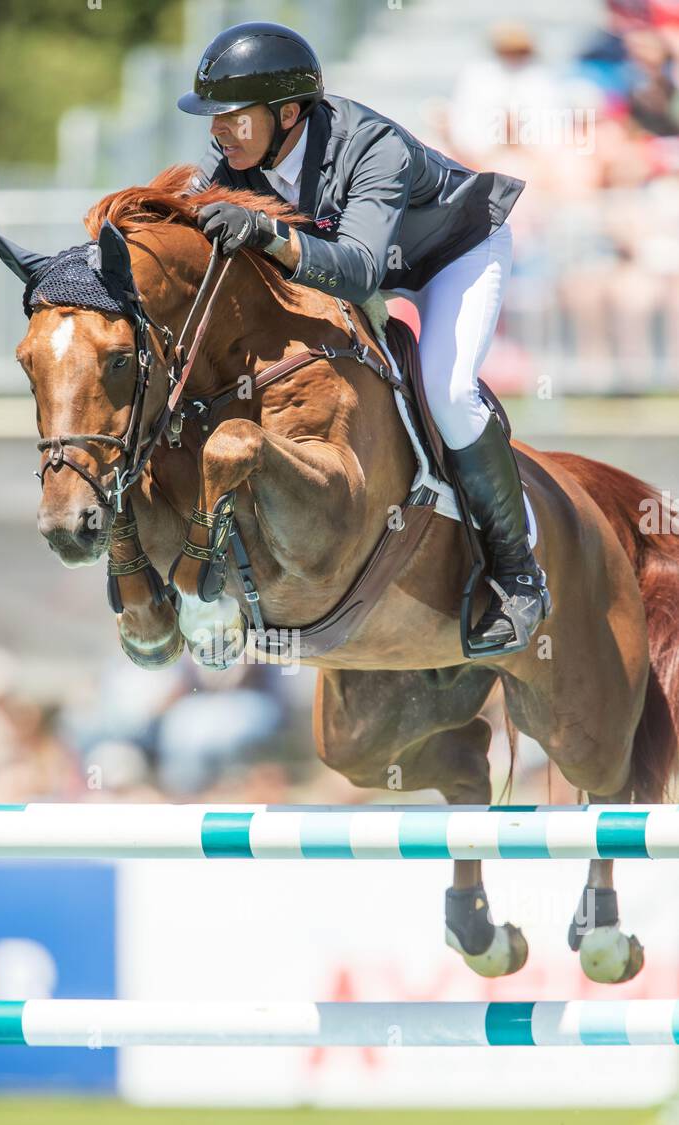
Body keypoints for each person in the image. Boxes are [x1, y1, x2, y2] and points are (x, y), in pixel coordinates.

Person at [178, 20, 551, 659]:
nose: (217, 131)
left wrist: (266, 234)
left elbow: (356, 273)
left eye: (232, 118)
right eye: (214, 118)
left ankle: (518, 574)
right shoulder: (245, 163)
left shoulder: (374, 145)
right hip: (372, 267)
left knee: (447, 389)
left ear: (287, 113)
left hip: (452, 257)